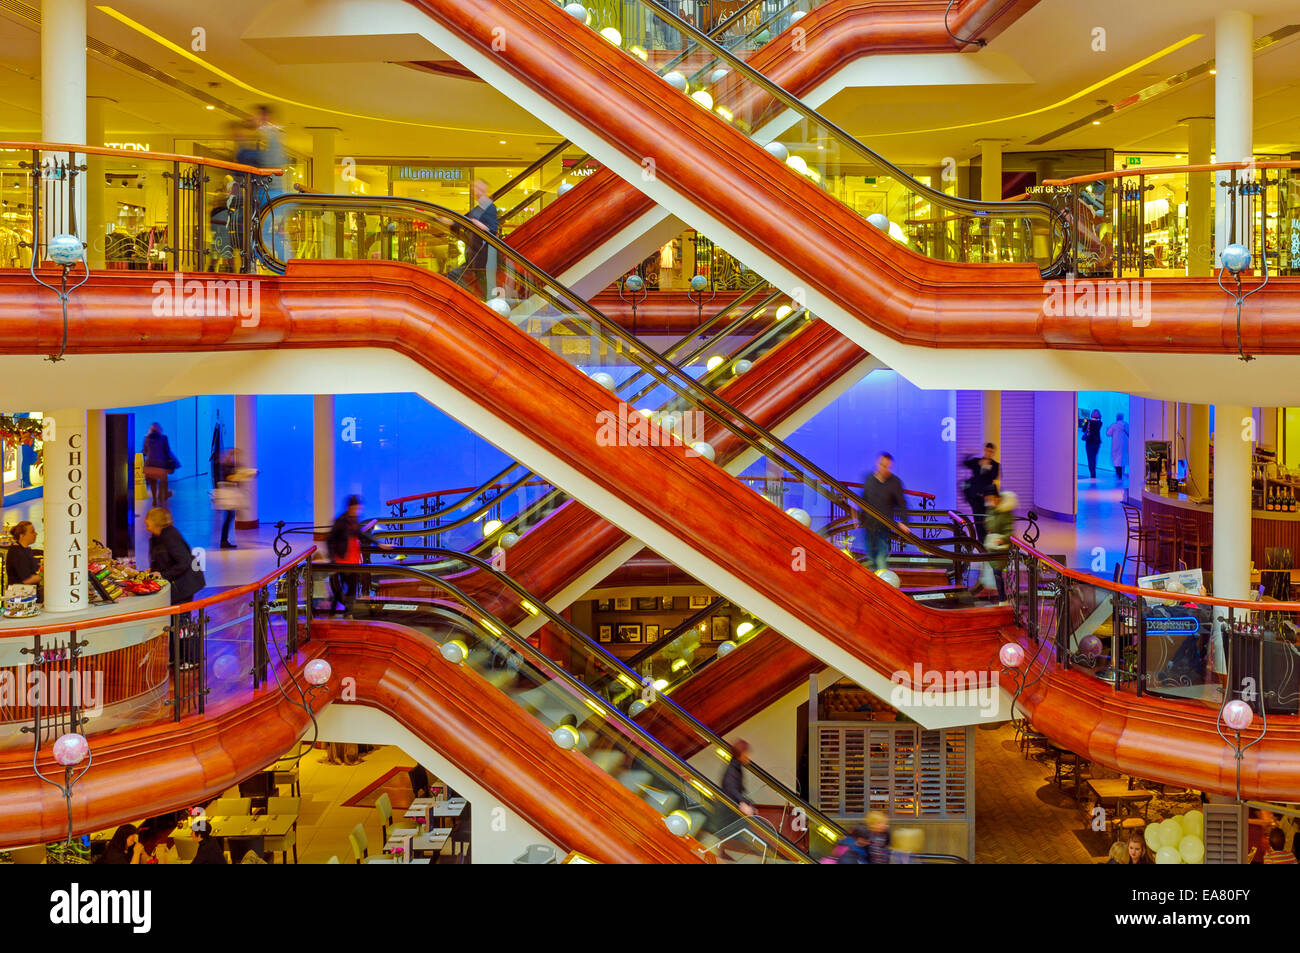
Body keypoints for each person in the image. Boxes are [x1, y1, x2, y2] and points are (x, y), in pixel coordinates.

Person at [146, 507, 207, 670]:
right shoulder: (157, 537)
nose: (145, 523)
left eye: (148, 519)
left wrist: (163, 574)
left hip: (184, 585)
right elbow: (159, 561)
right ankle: (176, 656)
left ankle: (192, 658)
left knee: (182, 622)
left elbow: (184, 562)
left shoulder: (170, 536)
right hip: (176, 585)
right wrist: (153, 572)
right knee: (174, 622)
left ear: (155, 521)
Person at [325, 495, 390, 615]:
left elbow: (360, 534)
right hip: (344, 560)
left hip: (353, 560)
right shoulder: (341, 521)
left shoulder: (354, 519)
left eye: (358, 508)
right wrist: (332, 559)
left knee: (350, 587)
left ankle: (345, 612)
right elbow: (330, 540)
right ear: (350, 507)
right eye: (355, 508)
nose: (357, 511)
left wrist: (379, 544)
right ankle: (344, 612)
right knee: (346, 587)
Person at [447, 178, 500, 294]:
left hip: (483, 257)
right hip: (475, 255)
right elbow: (461, 221)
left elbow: (492, 230)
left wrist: (476, 223)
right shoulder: (477, 209)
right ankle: (470, 299)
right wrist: (447, 221)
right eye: (474, 188)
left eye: (478, 188)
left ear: (485, 190)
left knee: (484, 285)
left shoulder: (490, 208)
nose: (475, 191)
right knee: (456, 275)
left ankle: (471, 299)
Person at [858, 452, 905, 573]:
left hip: (884, 526)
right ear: (878, 464)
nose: (885, 469)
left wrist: (904, 522)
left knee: (880, 558)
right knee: (872, 556)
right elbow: (864, 500)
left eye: (887, 466)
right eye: (882, 465)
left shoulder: (895, 482)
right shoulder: (869, 479)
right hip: (869, 526)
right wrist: (860, 519)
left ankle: (882, 585)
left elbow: (901, 503)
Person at [974, 490, 1017, 600]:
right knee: (993, 572)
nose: (989, 502)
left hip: (1001, 549)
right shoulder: (991, 510)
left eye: (990, 499)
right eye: (987, 499)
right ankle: (998, 596)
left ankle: (1002, 598)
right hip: (991, 546)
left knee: (997, 573)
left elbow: (1009, 532)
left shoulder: (1005, 513)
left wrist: (1001, 539)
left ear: (997, 498)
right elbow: (988, 523)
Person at [212, 448, 256, 549]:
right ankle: (223, 541)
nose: (231, 456)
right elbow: (228, 478)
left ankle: (224, 540)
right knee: (229, 517)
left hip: (228, 495)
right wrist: (241, 476)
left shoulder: (226, 465)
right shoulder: (222, 465)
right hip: (227, 495)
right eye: (231, 454)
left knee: (229, 516)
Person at [962, 443, 1000, 536]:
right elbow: (964, 463)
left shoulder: (995, 465)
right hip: (976, 496)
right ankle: (981, 541)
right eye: (987, 451)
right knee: (978, 519)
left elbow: (994, 476)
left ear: (993, 453)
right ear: (984, 450)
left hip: (988, 496)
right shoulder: (976, 461)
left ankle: (988, 538)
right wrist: (970, 454)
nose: (988, 453)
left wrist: (987, 468)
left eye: (991, 452)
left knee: (988, 518)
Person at [142, 422, 179, 507]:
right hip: (161, 465)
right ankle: (162, 495)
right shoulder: (164, 438)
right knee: (163, 480)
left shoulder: (146, 438)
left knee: (152, 482)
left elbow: (144, 451)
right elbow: (167, 450)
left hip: (149, 465)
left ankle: (154, 499)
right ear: (160, 430)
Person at [720, 740, 755, 816]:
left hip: (731, 810)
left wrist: (747, 802)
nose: (749, 756)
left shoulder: (736, 767)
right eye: (747, 753)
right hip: (728, 813)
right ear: (742, 754)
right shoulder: (732, 770)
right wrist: (744, 802)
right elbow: (731, 790)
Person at [5, 521, 40, 588]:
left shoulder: (26, 550)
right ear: (22, 535)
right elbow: (26, 580)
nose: (36, 534)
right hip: (21, 595)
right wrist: (45, 576)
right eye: (32, 532)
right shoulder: (17, 552)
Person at [1106, 412, 1129, 481]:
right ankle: (1122, 473)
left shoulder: (1114, 425)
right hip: (1125, 444)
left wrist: (1107, 429)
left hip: (1115, 444)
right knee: (1123, 459)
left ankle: (1118, 474)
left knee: (1116, 458)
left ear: (1117, 418)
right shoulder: (1126, 424)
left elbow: (1108, 434)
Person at [1081, 409, 1103, 480]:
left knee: (1090, 459)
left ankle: (1092, 474)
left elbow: (1083, 429)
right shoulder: (1100, 423)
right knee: (1093, 458)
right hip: (1097, 443)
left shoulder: (1088, 421)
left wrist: (1085, 422)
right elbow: (1094, 431)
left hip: (1090, 442)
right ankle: (1093, 473)